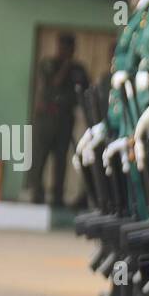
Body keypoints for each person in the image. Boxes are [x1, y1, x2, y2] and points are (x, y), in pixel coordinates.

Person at [29, 33, 90, 206]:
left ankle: (57, 197)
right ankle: (37, 193)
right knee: (40, 157)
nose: (66, 51)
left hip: (65, 119)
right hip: (47, 118)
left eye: (70, 48)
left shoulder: (79, 69)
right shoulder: (49, 64)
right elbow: (54, 83)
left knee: (61, 160)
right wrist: (65, 65)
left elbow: (85, 92)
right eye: (63, 47)